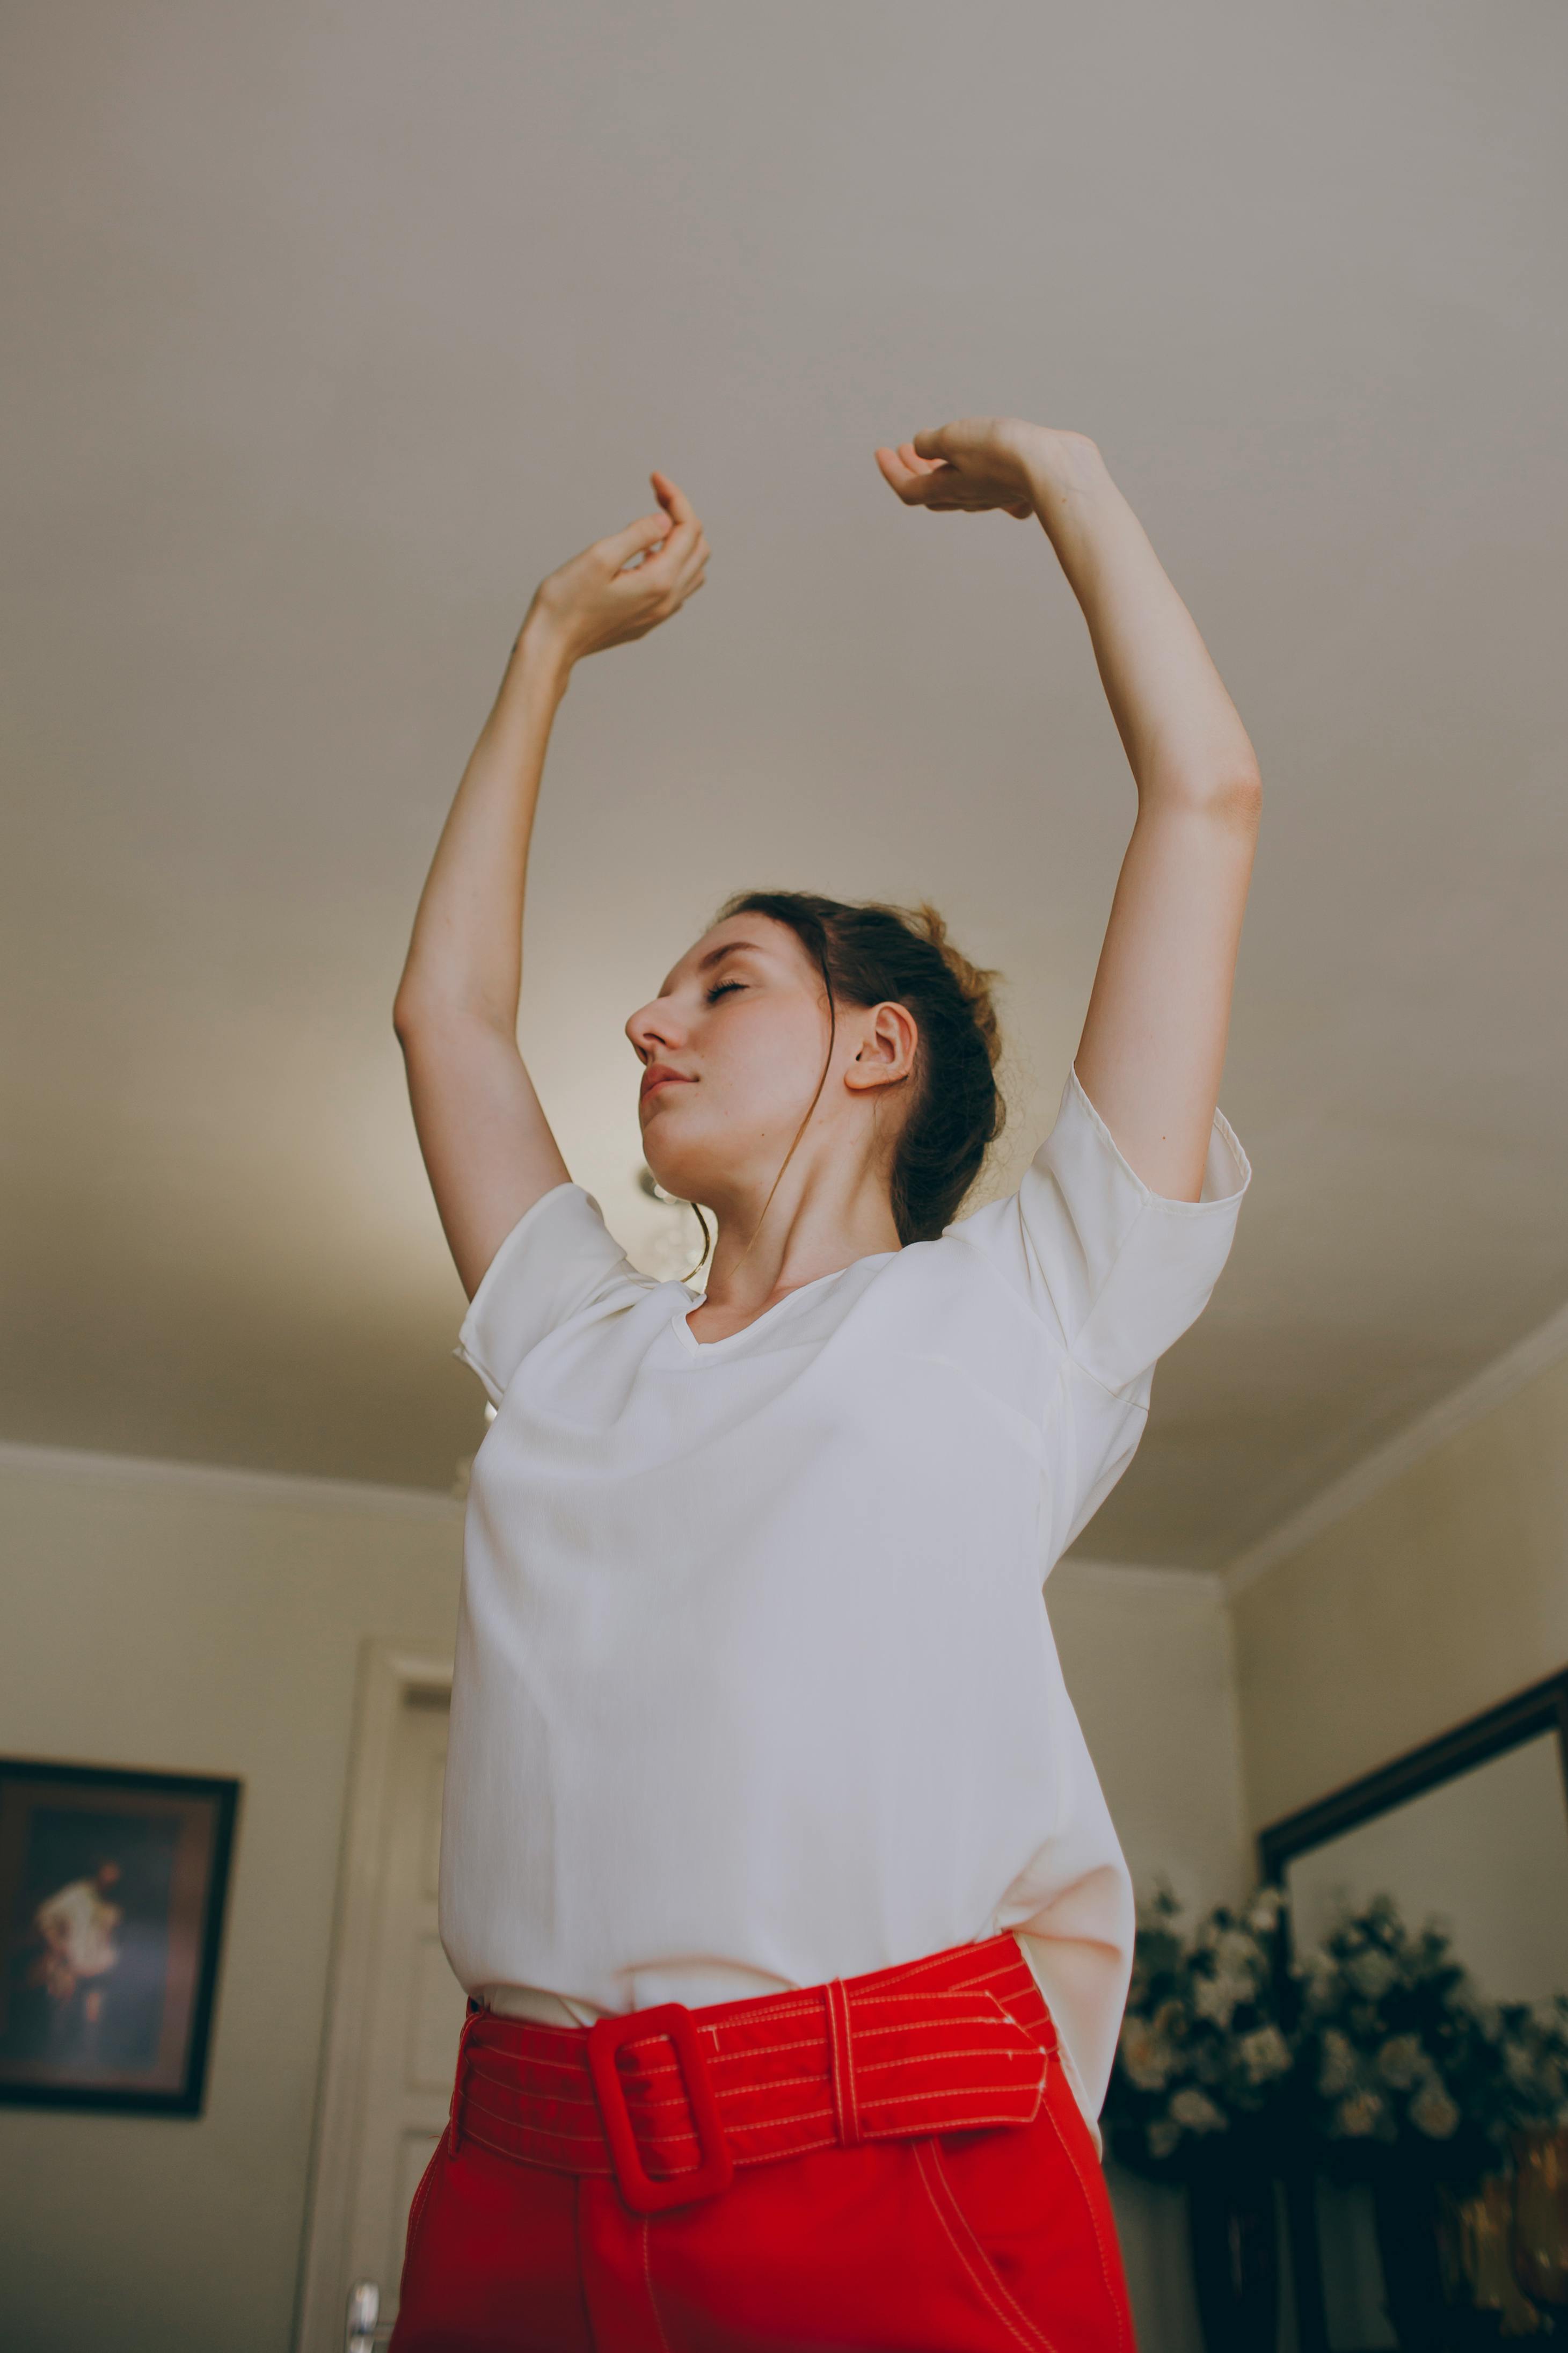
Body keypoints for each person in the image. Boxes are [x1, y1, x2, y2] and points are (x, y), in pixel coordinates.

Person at [390, 416, 1259, 2350]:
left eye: (721, 981)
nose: (642, 1019)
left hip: (890, 2168)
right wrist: (544, 645)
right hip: (515, 2174)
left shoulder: (1026, 1310)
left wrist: (1070, 487)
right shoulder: (572, 1346)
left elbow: (1204, 799)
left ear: (875, 1047)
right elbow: (444, 1014)